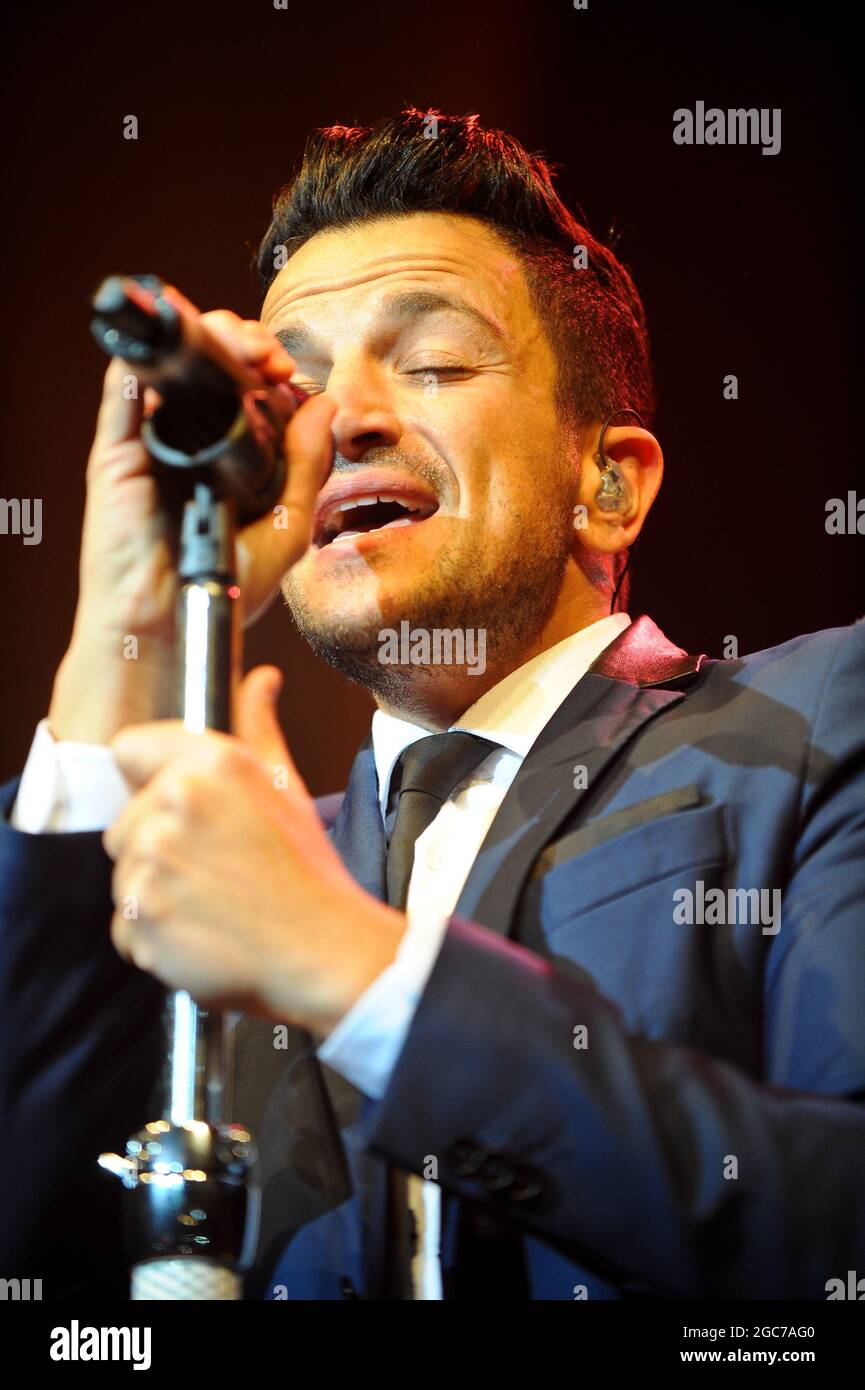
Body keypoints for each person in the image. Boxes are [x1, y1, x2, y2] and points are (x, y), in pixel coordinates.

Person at [1, 108, 862, 1302]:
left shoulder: (820, 717)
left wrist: (354, 972)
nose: (340, 422)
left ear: (608, 480)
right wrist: (123, 634)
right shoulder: (222, 868)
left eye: (435, 364)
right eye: (296, 386)